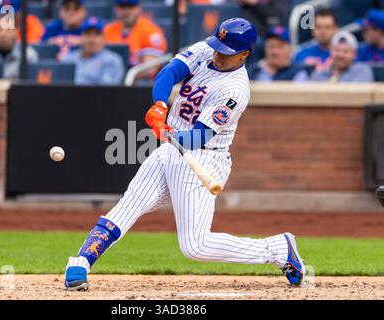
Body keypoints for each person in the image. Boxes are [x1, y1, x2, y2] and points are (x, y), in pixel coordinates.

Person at [63, 18, 306, 291]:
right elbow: (169, 73)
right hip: (171, 149)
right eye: (218, 46)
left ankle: (278, 249)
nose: (218, 54)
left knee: (195, 246)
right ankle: (81, 262)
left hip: (203, 157)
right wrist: (158, 106)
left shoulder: (235, 90)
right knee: (129, 205)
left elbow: (200, 136)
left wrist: (169, 134)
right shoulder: (206, 50)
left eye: (226, 52)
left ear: (245, 54)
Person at [61, 17, 124, 85]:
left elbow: (107, 90)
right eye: (87, 34)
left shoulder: (112, 60)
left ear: (103, 39)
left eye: (96, 35)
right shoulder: (67, 59)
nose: (91, 40)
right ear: (81, 37)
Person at [104, 0, 167, 67]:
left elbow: (151, 67)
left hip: (141, 77)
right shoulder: (108, 30)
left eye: (131, 7)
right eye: (122, 7)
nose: (126, 12)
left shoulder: (151, 31)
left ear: (139, 8)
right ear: (115, 9)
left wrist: (126, 75)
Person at [0, 14, 39, 79]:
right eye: (0, 29)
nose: (4, 34)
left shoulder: (28, 55)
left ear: (16, 31)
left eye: (8, 29)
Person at [310, 31, 374, 83]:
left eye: (345, 51)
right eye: (337, 50)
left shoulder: (362, 71)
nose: (340, 55)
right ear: (331, 52)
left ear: (354, 54)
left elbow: (354, 95)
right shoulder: (320, 73)